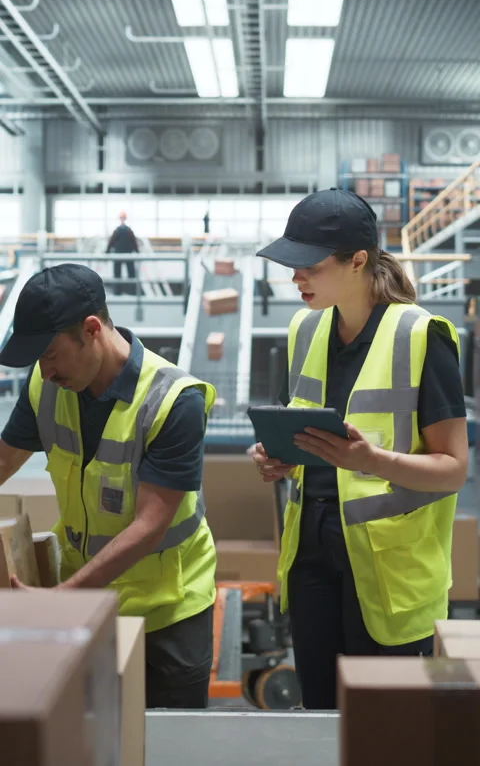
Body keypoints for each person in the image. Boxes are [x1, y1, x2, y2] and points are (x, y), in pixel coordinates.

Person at [252, 188, 468, 709]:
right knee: (320, 712)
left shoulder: (422, 336)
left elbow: (454, 469)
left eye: (310, 266)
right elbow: (306, 434)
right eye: (292, 265)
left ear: (358, 261)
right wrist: (279, 458)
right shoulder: (305, 328)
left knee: (384, 722)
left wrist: (373, 462)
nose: (296, 277)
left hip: (388, 566)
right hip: (311, 551)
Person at [0, 263, 216, 710]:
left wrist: (61, 599)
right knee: (88, 735)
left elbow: (150, 526)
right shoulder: (48, 386)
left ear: (92, 329)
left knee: (165, 738)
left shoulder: (174, 400)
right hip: (86, 603)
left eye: (51, 354)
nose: (45, 370)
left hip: (166, 615)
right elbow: (4, 460)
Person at [106, 211, 139, 295]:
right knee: (127, 274)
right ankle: (130, 292)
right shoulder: (127, 231)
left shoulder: (119, 231)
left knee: (122, 274)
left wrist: (107, 252)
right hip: (126, 255)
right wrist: (137, 252)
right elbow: (134, 243)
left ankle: (119, 292)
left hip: (120, 255)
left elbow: (111, 242)